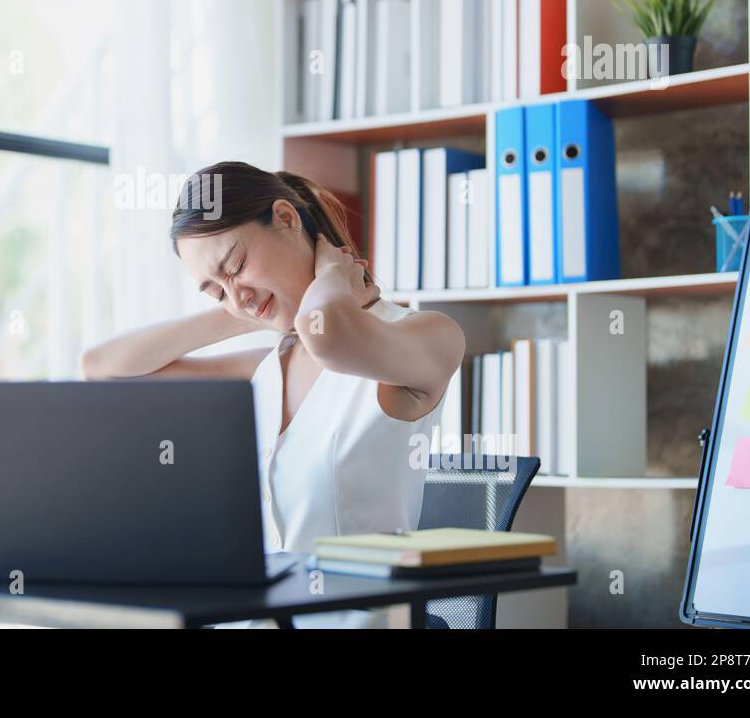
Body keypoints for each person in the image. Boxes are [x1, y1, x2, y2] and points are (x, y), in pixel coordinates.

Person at [80, 160, 466, 627]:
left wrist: (327, 277)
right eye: (213, 290)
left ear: (286, 218)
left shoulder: (427, 335)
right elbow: (103, 370)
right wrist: (242, 304)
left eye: (236, 265)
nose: (234, 294)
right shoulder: (267, 368)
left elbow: (330, 338)